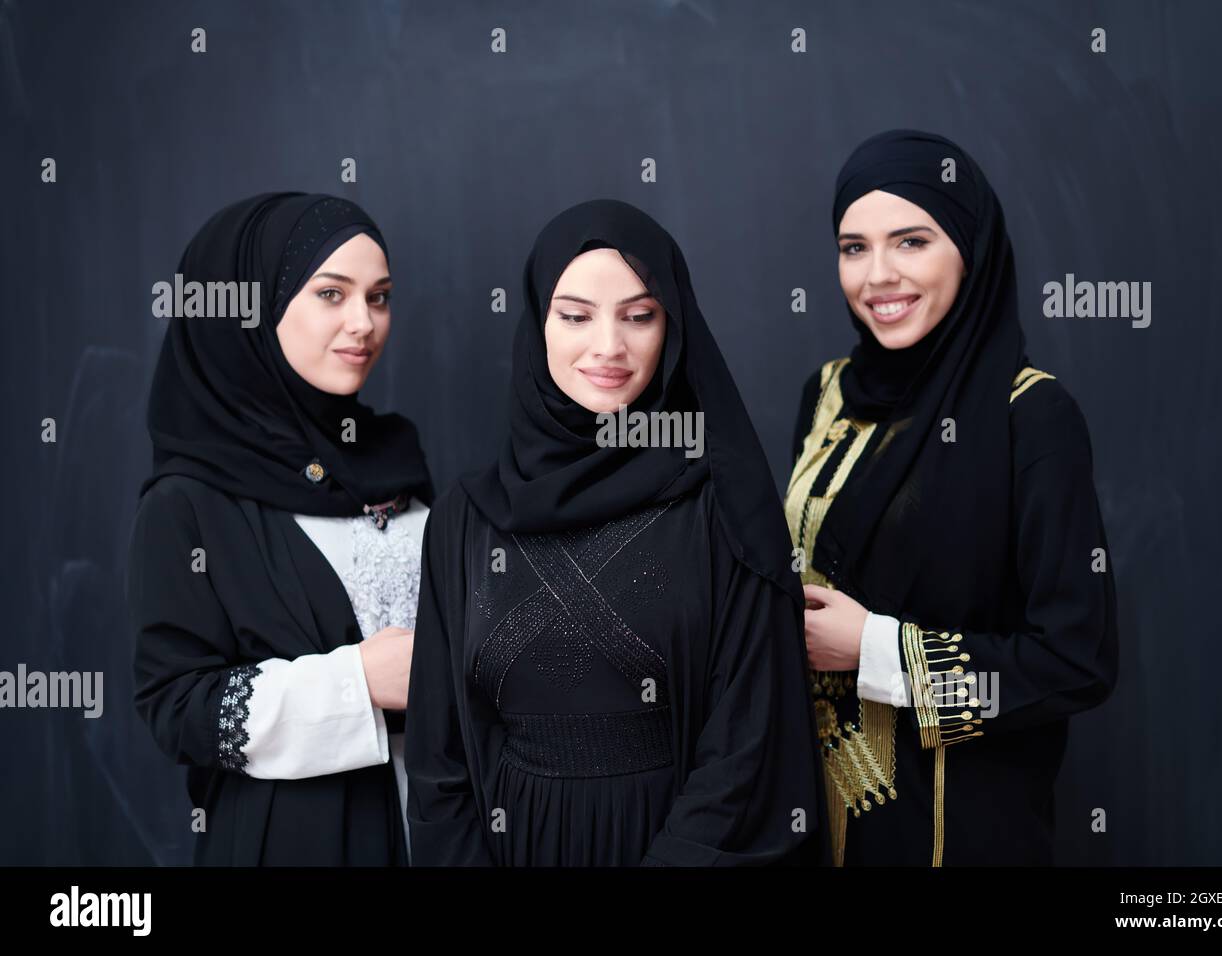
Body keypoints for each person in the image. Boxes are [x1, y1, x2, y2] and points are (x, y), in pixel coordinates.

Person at [406, 199, 826, 866]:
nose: (609, 346)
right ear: (537, 321)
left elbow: (749, 745)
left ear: (675, 328)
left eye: (639, 315)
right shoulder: (466, 516)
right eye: (575, 315)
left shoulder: (723, 505)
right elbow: (439, 756)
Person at [785, 130, 1119, 866]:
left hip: (959, 829)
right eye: (853, 247)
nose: (877, 276)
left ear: (969, 248)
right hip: (814, 811)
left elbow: (1075, 660)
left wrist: (875, 648)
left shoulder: (1029, 417)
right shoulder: (828, 394)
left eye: (911, 242)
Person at [128, 192, 433, 865]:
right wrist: (358, 679)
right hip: (292, 844)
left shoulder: (394, 461)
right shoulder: (189, 502)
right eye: (331, 294)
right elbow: (176, 707)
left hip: (436, 831)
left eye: (379, 297)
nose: (364, 323)